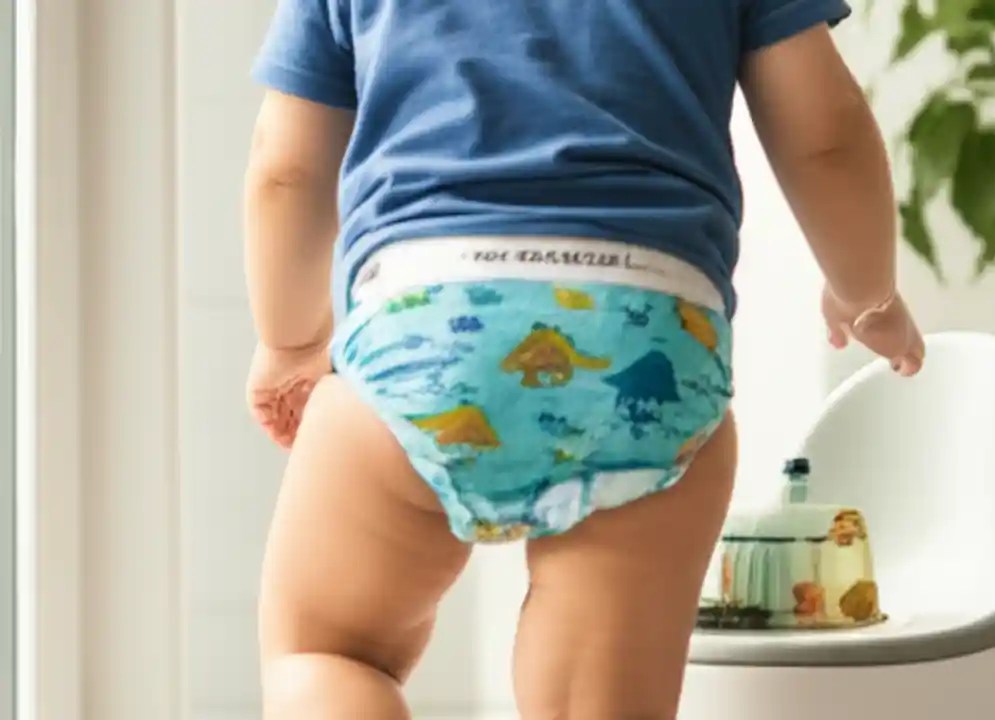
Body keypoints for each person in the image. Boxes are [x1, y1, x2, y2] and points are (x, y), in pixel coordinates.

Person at [242, 0, 924, 717]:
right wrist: (867, 293)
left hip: (422, 326)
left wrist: (289, 342)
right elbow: (828, 134)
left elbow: (284, 169)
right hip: (645, 333)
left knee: (328, 653)